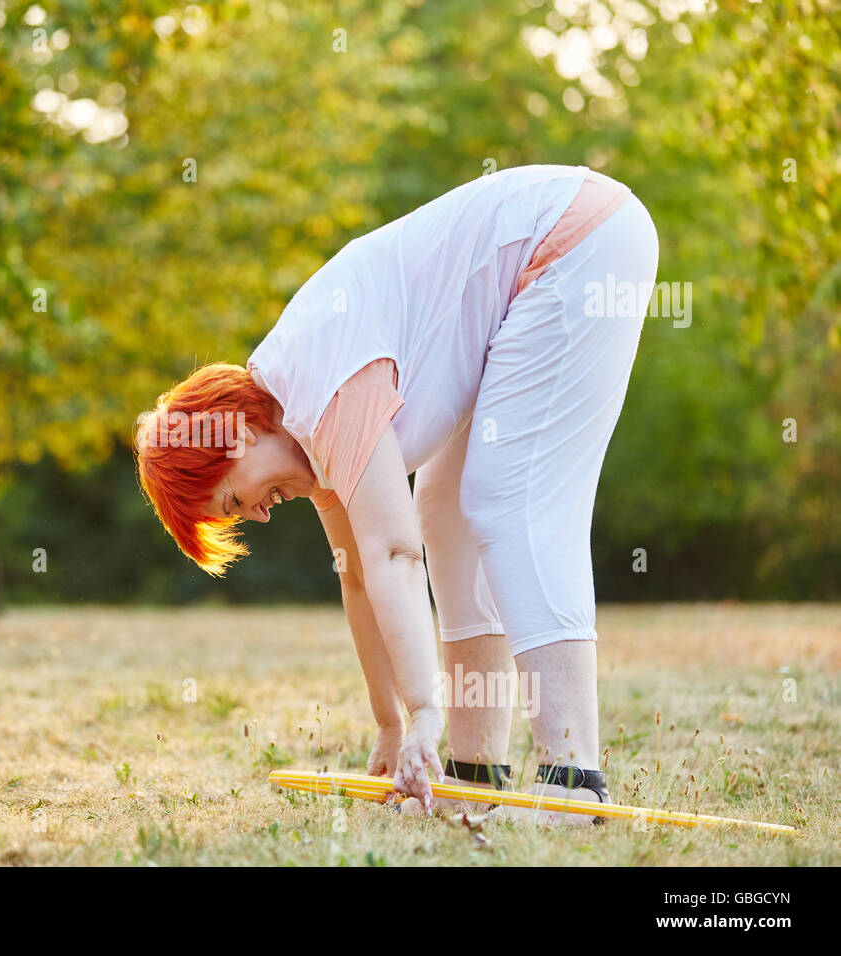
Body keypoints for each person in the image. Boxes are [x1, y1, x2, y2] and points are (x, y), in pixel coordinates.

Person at [134, 164, 659, 823]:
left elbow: (393, 555)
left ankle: (574, 786)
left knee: (509, 499)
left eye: (235, 502)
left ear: (233, 434)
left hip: (576, 245)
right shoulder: (304, 430)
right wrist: (390, 727)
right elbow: (358, 576)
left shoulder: (320, 384)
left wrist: (425, 711)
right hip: (554, 258)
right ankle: (472, 777)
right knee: (443, 513)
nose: (260, 514)